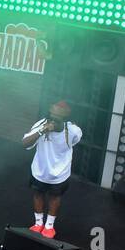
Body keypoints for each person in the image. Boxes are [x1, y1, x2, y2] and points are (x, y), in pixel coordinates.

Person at [22, 100, 81, 239]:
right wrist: (43, 131)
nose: (54, 122)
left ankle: (49, 226)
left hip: (60, 173)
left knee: (55, 197)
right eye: (52, 117)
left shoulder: (73, 130)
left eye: (58, 119)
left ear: (65, 117)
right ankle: (38, 224)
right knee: (38, 193)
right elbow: (25, 143)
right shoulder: (41, 125)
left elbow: (75, 140)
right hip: (40, 170)